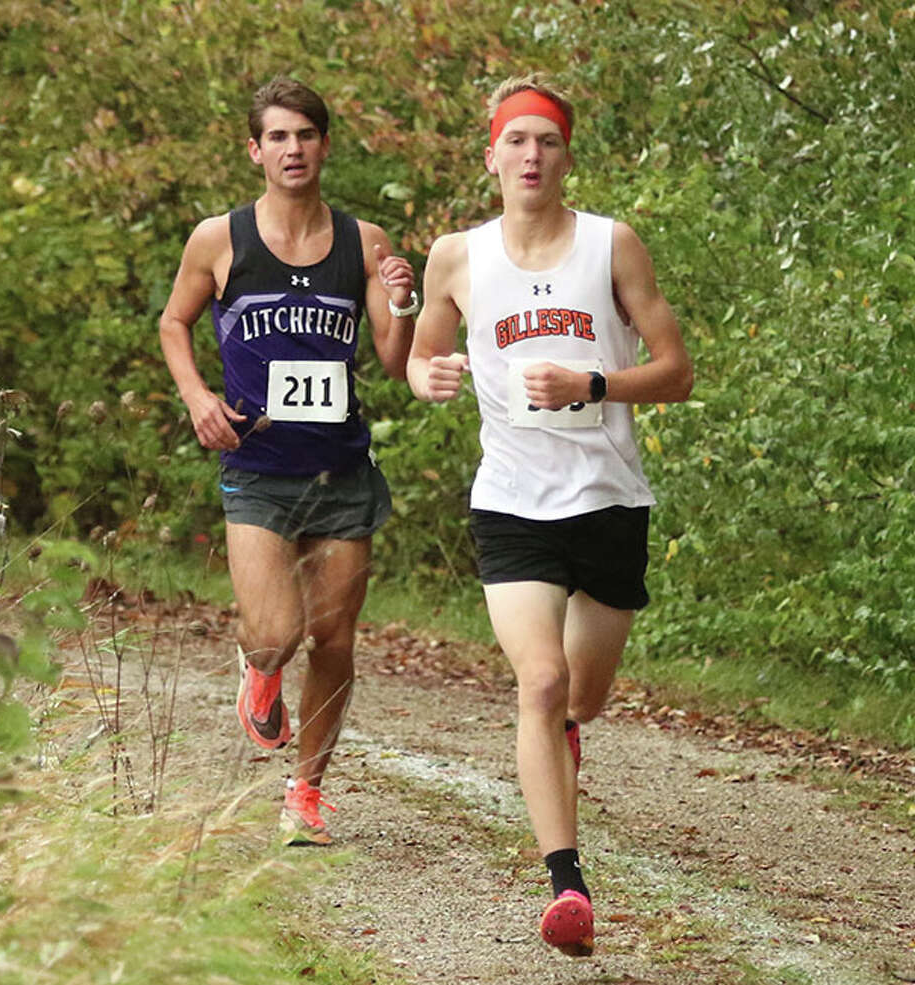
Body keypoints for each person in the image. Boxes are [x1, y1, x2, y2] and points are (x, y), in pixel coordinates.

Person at [407, 75, 693, 956]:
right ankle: (567, 884)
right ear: (491, 154)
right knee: (539, 681)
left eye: (549, 142)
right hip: (512, 502)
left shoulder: (612, 246)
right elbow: (421, 356)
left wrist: (594, 383)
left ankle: (566, 726)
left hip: (608, 501)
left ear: (568, 156)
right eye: (517, 141)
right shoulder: (457, 256)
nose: (532, 156)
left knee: (584, 695)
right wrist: (433, 376)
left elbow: (677, 372)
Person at [159, 76, 417, 846]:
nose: (293, 148)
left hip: (341, 470)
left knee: (335, 638)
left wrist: (403, 300)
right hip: (258, 468)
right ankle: (261, 669)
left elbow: (393, 357)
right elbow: (174, 323)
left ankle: (305, 793)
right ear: (255, 150)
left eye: (305, 134)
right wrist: (199, 397)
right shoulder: (220, 238)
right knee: (276, 630)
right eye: (277, 136)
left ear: (325, 145)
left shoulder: (362, 241)